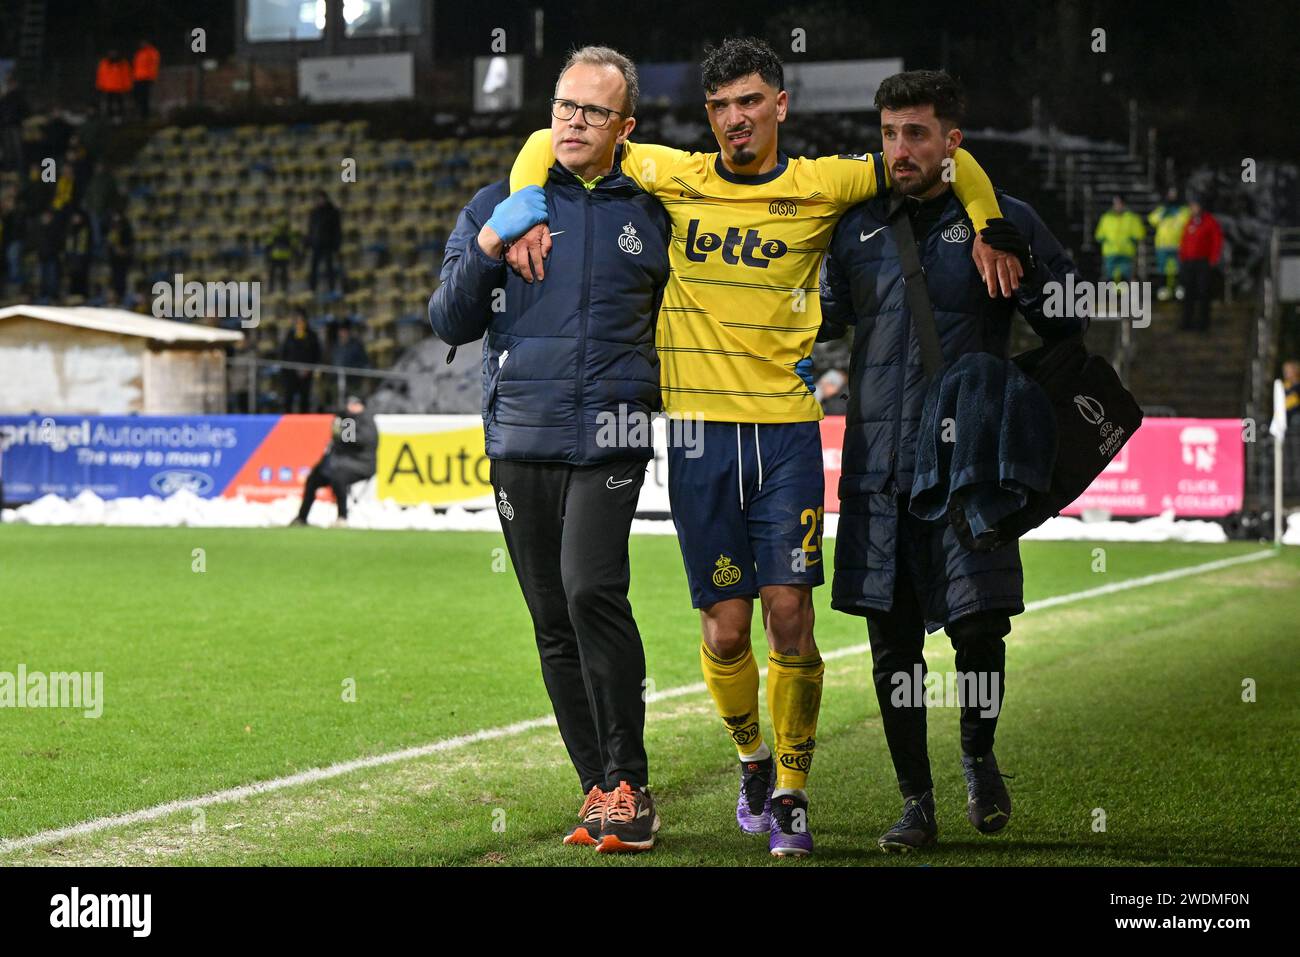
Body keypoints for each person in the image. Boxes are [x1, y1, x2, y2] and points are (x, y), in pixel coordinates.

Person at [504, 36, 1022, 857]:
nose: (734, 119)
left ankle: (789, 790)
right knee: (725, 631)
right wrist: (523, 203)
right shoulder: (677, 173)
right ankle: (750, 758)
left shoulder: (826, 182)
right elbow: (550, 137)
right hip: (701, 434)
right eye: (720, 107)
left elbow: (957, 165)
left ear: (780, 105)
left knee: (790, 613)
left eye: (750, 102)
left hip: (785, 431)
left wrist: (990, 227)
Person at [819, 69, 1088, 852]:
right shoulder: (856, 227)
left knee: (979, 629)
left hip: (969, 462)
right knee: (891, 641)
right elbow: (818, 319)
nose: (900, 150)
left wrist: (1026, 265)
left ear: (952, 142)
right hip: (876, 462)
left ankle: (977, 754)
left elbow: (1069, 323)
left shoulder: (1003, 219)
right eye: (890, 133)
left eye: (917, 133)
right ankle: (915, 800)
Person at [429, 46, 670, 853]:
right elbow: (448, 319)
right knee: (550, 618)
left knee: (590, 588)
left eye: (594, 111)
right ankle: (598, 787)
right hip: (520, 435)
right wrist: (494, 243)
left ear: (624, 127)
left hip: (614, 431)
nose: (573, 121)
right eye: (565, 106)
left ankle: (631, 781)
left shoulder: (654, 208)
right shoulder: (502, 201)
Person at [290, 395, 377, 528]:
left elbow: (362, 441)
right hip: (340, 463)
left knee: (339, 477)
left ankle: (342, 518)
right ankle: (302, 518)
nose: (350, 407)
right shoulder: (345, 418)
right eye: (349, 403)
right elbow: (340, 441)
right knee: (314, 478)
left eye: (354, 404)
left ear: (361, 406)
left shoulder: (366, 419)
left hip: (362, 464)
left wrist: (342, 432)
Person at [1178, 196, 1223, 332]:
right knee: (1189, 292)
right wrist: (1183, 257)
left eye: (1195, 206)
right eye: (1191, 206)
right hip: (1189, 262)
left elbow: (1216, 241)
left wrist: (1213, 259)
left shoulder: (1209, 221)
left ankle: (1203, 323)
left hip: (1203, 262)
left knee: (1203, 292)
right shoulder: (1189, 222)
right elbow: (1184, 241)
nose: (1193, 209)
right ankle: (1186, 322)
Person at [1147, 187, 1189, 301]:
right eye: (1170, 194)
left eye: (1174, 194)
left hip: (1178, 244)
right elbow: (1151, 220)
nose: (1172, 196)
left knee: (1179, 268)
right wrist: (1163, 212)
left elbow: (1186, 221)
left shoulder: (1183, 210)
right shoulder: (1162, 209)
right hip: (1163, 245)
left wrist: (1175, 214)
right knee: (1162, 269)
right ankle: (1163, 289)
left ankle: (1179, 289)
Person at [1094, 194, 1145, 285]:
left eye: (1119, 203)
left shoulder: (1132, 218)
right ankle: (1111, 295)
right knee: (1110, 276)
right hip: (1110, 252)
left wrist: (1131, 240)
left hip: (1126, 252)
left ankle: (1124, 296)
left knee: (1125, 276)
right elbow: (1099, 235)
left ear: (1124, 204)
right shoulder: (1106, 218)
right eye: (1115, 203)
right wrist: (1106, 241)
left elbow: (1139, 234)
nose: (1117, 206)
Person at [279, 310, 321, 412]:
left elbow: (316, 354)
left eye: (301, 321)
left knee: (304, 398)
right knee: (288, 398)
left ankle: (304, 421)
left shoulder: (312, 336)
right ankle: (286, 420)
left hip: (306, 373)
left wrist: (309, 368)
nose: (299, 323)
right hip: (291, 373)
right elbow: (284, 354)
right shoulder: (290, 335)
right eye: (297, 321)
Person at [307, 190, 343, 293]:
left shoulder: (332, 212)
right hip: (317, 243)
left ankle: (331, 287)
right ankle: (312, 288)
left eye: (321, 198)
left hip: (328, 244)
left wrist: (337, 244)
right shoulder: (314, 213)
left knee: (329, 267)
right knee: (314, 267)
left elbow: (337, 229)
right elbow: (311, 229)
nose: (319, 201)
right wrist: (309, 241)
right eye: (318, 199)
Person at [104, 210, 134, 301]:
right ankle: (115, 297)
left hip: (124, 261)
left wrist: (123, 250)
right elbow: (109, 244)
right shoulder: (111, 229)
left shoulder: (127, 230)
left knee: (122, 279)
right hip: (114, 260)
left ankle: (121, 297)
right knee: (113, 278)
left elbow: (129, 248)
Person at [63, 209, 92, 297]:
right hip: (72, 257)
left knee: (82, 277)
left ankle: (82, 295)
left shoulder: (85, 229)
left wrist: (86, 257)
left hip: (82, 257)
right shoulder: (70, 229)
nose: (75, 219)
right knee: (73, 277)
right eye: (74, 217)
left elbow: (89, 244)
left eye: (77, 217)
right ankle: (73, 295)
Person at [265, 219, 296, 292]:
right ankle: (279, 288)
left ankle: (273, 289)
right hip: (280, 257)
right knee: (280, 274)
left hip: (277, 257)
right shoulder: (286, 234)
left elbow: (268, 245)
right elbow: (293, 246)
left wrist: (267, 256)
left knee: (278, 274)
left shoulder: (276, 234)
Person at [132, 40, 160, 119]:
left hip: (146, 78)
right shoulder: (139, 53)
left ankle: (145, 115)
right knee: (138, 97)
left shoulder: (152, 52)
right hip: (138, 78)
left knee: (145, 97)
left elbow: (154, 66)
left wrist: (152, 77)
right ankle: (140, 114)